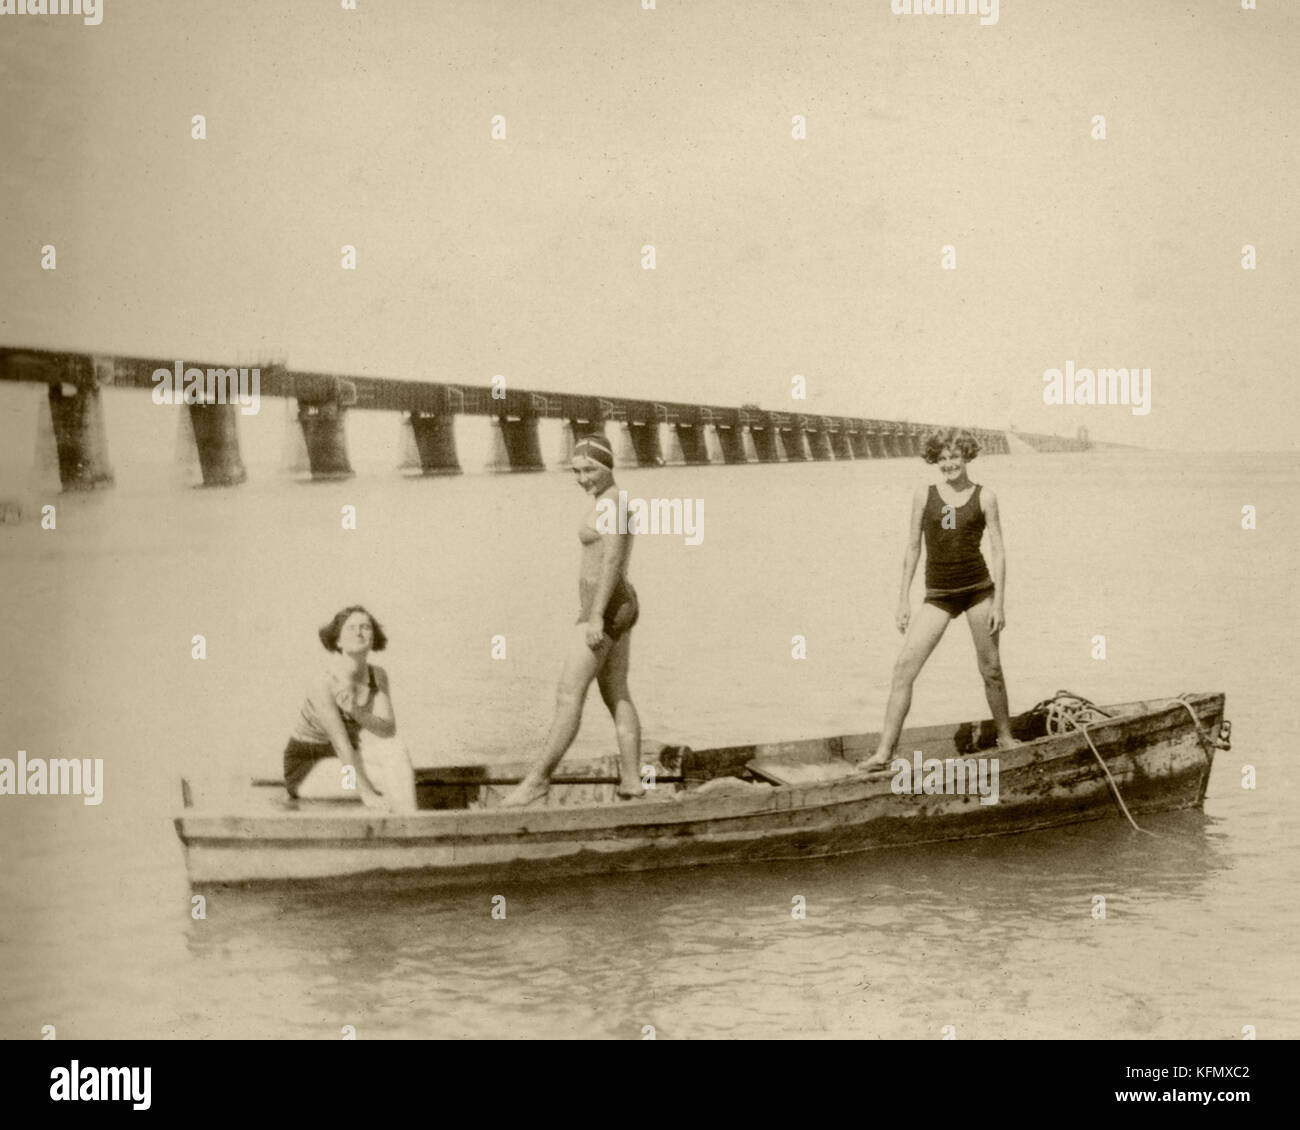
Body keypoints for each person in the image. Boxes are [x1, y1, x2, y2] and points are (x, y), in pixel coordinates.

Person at [859, 428, 1015, 771]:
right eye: (942, 458)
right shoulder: (923, 495)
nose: (948, 464)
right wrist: (903, 600)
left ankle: (1005, 737)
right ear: (935, 460)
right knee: (903, 669)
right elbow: (912, 548)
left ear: (966, 457)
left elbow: (999, 551)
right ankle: (885, 752)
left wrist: (1000, 603)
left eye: (955, 457)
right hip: (938, 595)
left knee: (991, 668)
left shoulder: (985, 496)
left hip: (978, 591)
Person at [501, 435, 644, 806]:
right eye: (576, 471)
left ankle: (537, 780)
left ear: (608, 466)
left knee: (568, 694)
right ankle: (632, 782)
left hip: (607, 607)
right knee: (617, 693)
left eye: (591, 470)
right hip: (616, 604)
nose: (583, 478)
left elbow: (611, 561)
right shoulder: (610, 500)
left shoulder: (612, 503)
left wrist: (595, 615)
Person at [282, 605, 418, 811]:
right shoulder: (325, 683)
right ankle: (409, 830)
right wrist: (367, 794)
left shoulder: (377, 675)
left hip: (344, 761)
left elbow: (387, 730)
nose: (359, 632)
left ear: (373, 637)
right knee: (392, 779)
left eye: (366, 627)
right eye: (351, 628)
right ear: (338, 640)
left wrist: (355, 711)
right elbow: (341, 744)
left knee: (396, 750)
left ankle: (408, 826)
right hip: (309, 769)